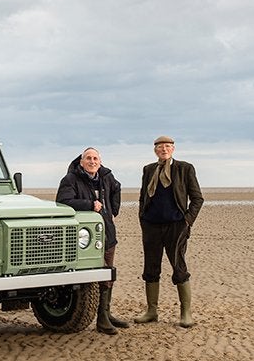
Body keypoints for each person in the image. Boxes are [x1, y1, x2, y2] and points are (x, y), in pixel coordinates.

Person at [56, 147, 127, 335]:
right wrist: (89, 205)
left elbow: (117, 188)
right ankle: (100, 319)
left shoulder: (106, 176)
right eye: (88, 158)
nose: (92, 162)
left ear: (100, 161)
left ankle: (105, 315)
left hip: (107, 233)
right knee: (96, 275)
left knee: (108, 274)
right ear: (81, 162)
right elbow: (63, 202)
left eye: (95, 158)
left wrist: (112, 211)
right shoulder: (70, 179)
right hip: (85, 238)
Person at [135, 136, 204, 328]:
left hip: (176, 226)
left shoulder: (185, 168)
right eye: (160, 147)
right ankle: (151, 311)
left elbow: (197, 198)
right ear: (155, 150)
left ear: (173, 149)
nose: (163, 149)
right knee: (151, 268)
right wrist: (143, 217)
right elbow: (143, 197)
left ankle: (186, 312)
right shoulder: (148, 169)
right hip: (151, 226)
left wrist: (187, 221)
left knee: (179, 266)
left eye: (167, 146)